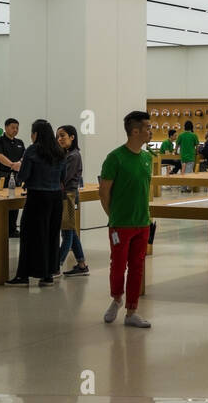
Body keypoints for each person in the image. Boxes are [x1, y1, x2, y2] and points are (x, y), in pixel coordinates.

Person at [100, 111, 153, 327]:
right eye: (148, 128)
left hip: (143, 223)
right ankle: (116, 299)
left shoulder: (148, 158)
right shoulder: (115, 158)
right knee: (118, 266)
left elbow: (145, 189)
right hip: (120, 225)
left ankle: (132, 311)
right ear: (135, 131)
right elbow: (104, 192)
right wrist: (113, 217)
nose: (151, 131)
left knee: (137, 266)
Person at [6, 119, 65, 288]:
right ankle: (48, 275)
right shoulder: (59, 151)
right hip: (56, 198)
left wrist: (18, 168)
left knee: (29, 235)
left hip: (37, 197)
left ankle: (23, 275)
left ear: (36, 134)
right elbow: (63, 176)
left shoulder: (33, 150)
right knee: (51, 235)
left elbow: (23, 176)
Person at [57, 124, 89, 277]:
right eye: (58, 136)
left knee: (67, 233)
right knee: (71, 231)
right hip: (66, 195)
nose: (60, 139)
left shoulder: (73, 156)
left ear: (72, 137)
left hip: (68, 196)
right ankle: (82, 265)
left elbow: (65, 178)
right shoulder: (67, 154)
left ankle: (56, 266)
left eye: (62, 135)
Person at [0, 118, 26, 236]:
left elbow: (24, 157)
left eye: (17, 128)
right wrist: (12, 165)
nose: (15, 130)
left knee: (14, 204)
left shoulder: (20, 142)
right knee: (1, 203)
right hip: (1, 178)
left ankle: (12, 229)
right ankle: (1, 229)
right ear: (6, 127)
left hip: (16, 178)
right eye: (13, 127)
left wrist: (20, 164)